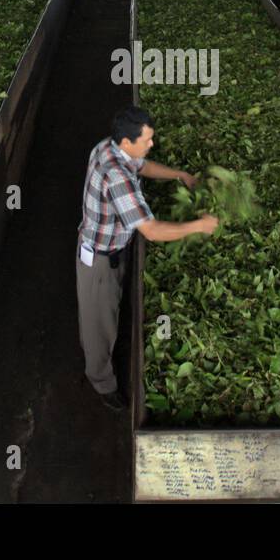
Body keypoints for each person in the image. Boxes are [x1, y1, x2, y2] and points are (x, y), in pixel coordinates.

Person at [76, 106, 218, 411]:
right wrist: (200, 226)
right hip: (99, 260)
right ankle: (102, 382)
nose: (152, 144)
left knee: (110, 306)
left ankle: (109, 341)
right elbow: (151, 230)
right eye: (148, 140)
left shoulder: (109, 147)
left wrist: (179, 175)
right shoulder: (117, 178)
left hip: (114, 247)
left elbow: (142, 167)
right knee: (98, 326)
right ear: (127, 142)